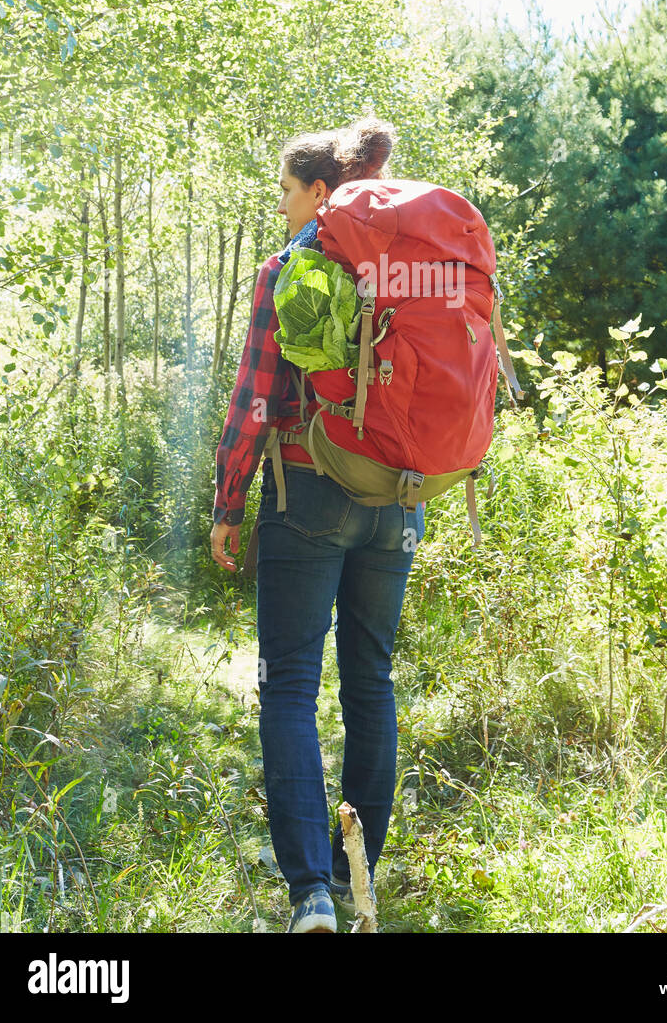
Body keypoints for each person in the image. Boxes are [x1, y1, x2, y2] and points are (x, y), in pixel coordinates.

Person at [210, 115, 424, 934]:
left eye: (288, 194)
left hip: (309, 493)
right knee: (370, 681)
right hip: (399, 500)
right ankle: (356, 871)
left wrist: (230, 504)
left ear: (322, 192)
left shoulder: (291, 268)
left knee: (291, 689)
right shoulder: (409, 271)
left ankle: (313, 897)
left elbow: (256, 397)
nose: (284, 210)